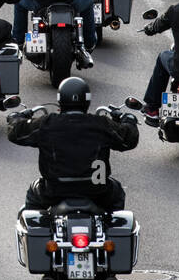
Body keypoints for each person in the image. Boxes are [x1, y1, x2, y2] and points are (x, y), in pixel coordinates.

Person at [8, 79, 138, 212]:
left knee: (33, 195)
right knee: (116, 193)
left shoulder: (47, 124)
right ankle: (110, 226)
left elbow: (16, 133)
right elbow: (129, 139)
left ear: (60, 100)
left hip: (54, 190)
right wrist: (128, 120)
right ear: (87, 101)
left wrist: (15, 118)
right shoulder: (102, 124)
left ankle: (34, 230)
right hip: (97, 190)